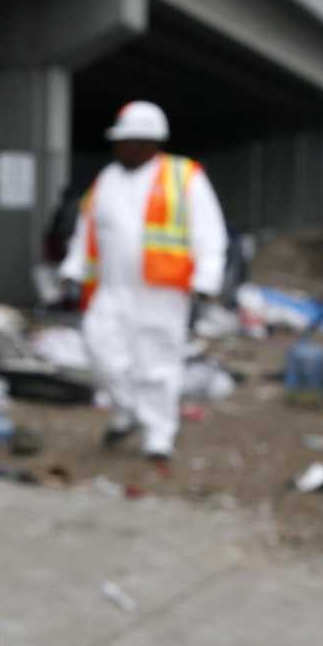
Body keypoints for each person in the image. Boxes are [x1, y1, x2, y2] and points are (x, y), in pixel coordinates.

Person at [59, 100, 227, 465]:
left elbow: (210, 231)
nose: (119, 147)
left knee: (157, 364)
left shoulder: (183, 176)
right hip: (111, 288)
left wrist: (206, 280)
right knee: (99, 350)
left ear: (148, 142)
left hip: (161, 291)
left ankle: (158, 435)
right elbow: (85, 230)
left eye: (126, 140)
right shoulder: (107, 179)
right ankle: (130, 410)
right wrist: (73, 272)